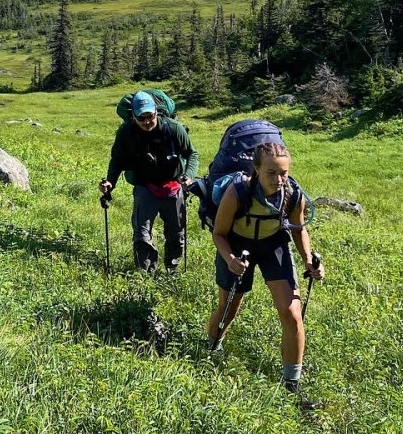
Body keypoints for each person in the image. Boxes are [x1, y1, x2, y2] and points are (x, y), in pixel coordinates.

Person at [206, 141, 325, 395]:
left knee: (292, 314)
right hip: (237, 245)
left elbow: (299, 228)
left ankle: (292, 382)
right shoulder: (237, 192)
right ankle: (212, 349)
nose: (279, 179)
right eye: (271, 172)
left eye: (284, 172)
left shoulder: (293, 194)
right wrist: (230, 260)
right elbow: (219, 234)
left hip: (274, 245)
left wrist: (308, 260)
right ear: (256, 170)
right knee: (229, 309)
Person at [99, 90, 199, 272]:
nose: (146, 122)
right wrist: (110, 183)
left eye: (150, 117)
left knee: (177, 234)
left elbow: (191, 153)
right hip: (145, 187)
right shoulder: (126, 133)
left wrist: (189, 176)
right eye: (141, 118)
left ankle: (172, 269)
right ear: (134, 117)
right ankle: (144, 274)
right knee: (142, 234)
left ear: (156, 112)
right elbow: (117, 161)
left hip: (173, 186)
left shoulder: (173, 128)